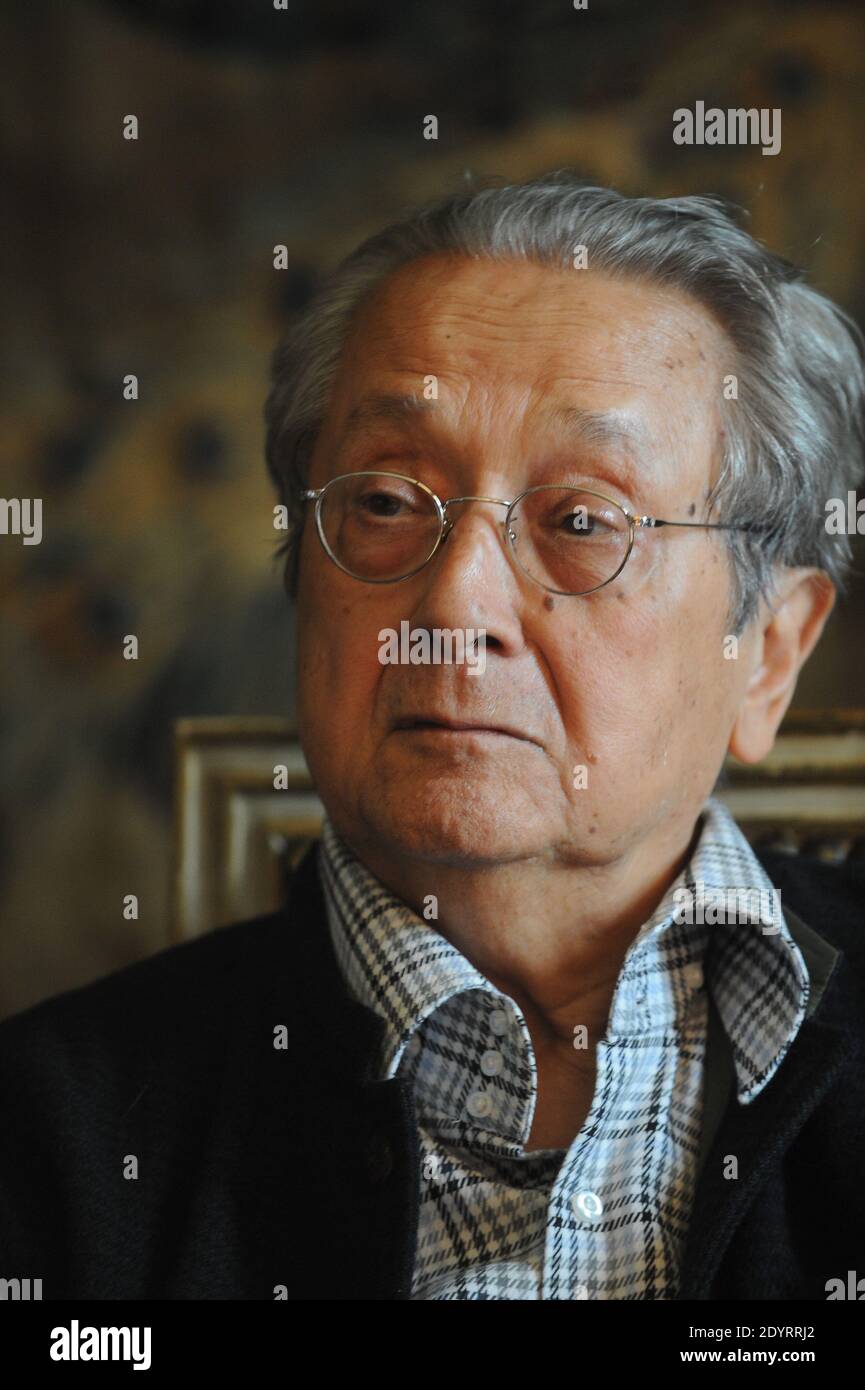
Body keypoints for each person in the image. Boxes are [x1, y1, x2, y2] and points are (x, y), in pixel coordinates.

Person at [1, 174, 863, 1301]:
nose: (454, 602)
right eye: (387, 502)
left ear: (770, 651)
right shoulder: (49, 1142)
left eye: (581, 522)